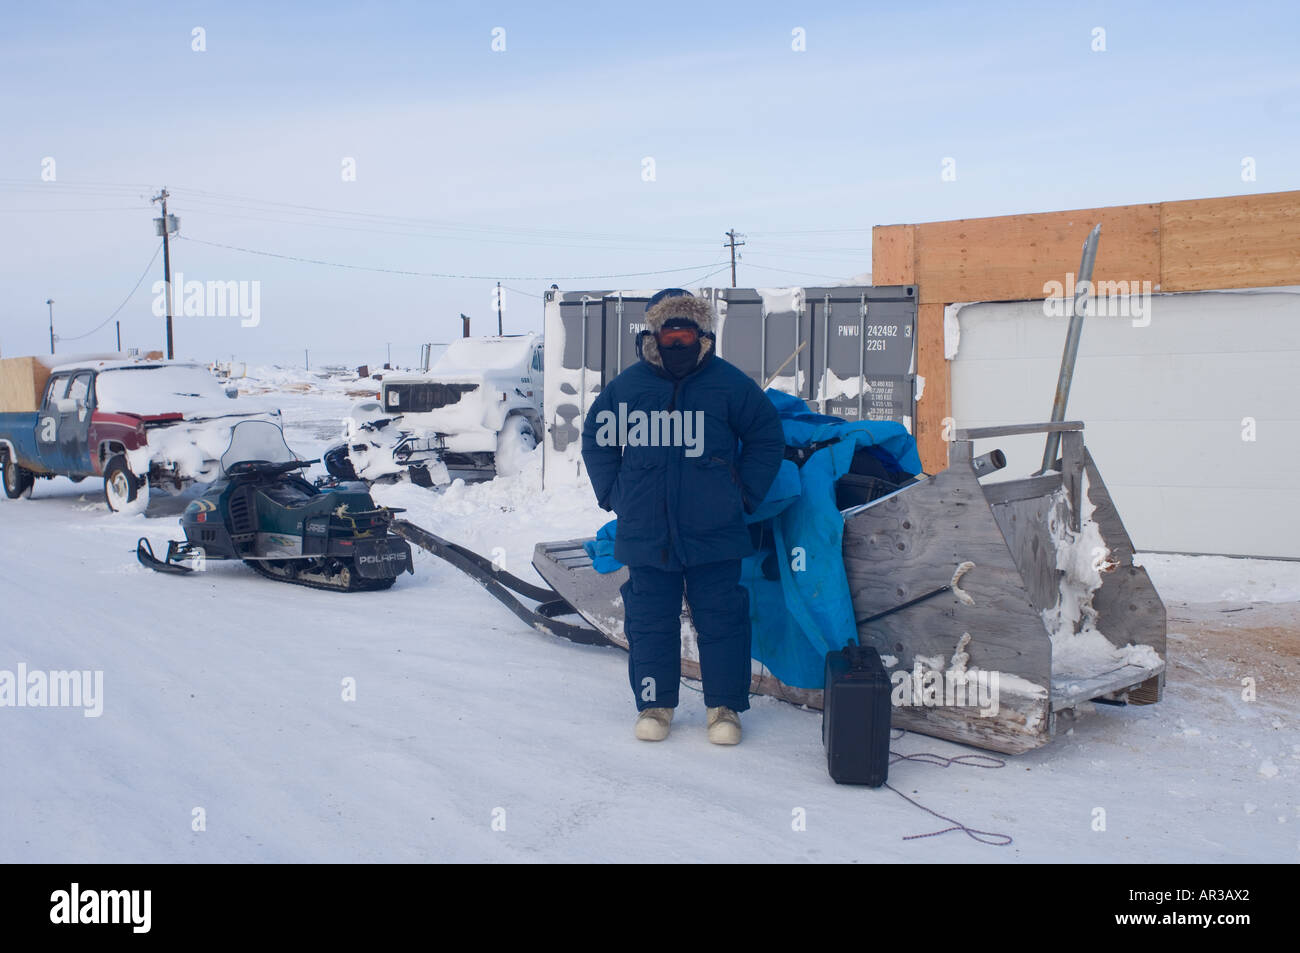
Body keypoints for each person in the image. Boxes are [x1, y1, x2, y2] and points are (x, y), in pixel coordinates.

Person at [581, 289, 785, 744]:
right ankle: (655, 705)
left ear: (701, 335)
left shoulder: (729, 385)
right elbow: (597, 441)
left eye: (686, 330)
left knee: (723, 619)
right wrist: (616, 495)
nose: (678, 340)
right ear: (654, 334)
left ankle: (724, 709)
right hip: (646, 530)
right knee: (650, 619)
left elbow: (766, 437)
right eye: (669, 330)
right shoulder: (627, 388)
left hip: (716, 530)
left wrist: (743, 495)